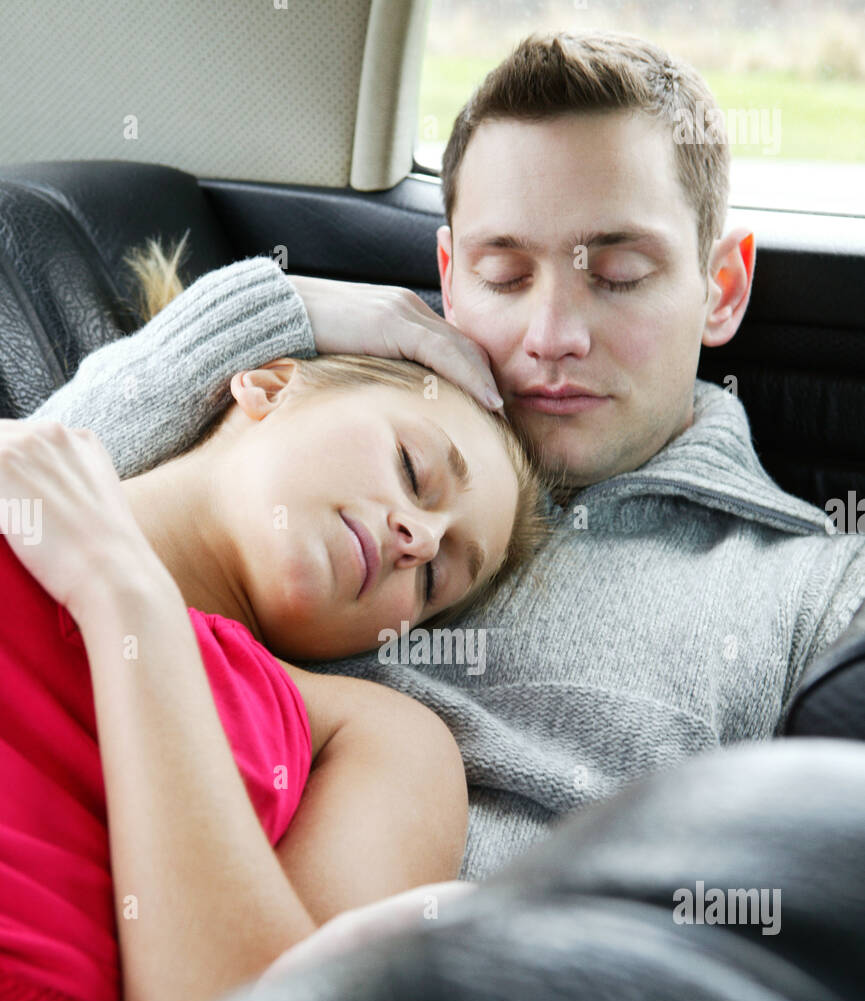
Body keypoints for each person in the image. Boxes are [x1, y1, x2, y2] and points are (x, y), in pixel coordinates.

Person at [35, 32, 865, 882]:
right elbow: (34, 515)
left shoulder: (818, 590)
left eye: (617, 275)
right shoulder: (353, 427)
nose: (552, 338)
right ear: (449, 275)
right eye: (503, 276)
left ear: (719, 287)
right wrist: (281, 305)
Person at [0, 277, 543, 1001]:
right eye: (413, 468)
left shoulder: (370, 735)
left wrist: (128, 598)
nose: (418, 538)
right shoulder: (22, 473)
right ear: (269, 384)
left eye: (439, 576)